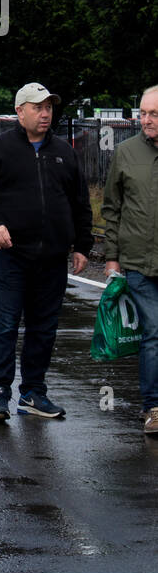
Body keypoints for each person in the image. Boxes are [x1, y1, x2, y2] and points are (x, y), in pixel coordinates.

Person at [0, 83, 92, 421]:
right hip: (10, 255)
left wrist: (82, 245)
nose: (46, 113)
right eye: (38, 107)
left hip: (51, 257)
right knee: (6, 323)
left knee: (43, 326)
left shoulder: (65, 152)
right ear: (20, 111)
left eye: (49, 107)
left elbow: (80, 202)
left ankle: (34, 392)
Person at [101, 84, 158, 435]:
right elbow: (112, 209)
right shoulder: (125, 152)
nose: (146, 120)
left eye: (154, 114)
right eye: (143, 113)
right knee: (154, 333)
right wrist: (111, 259)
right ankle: (153, 407)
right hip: (139, 265)